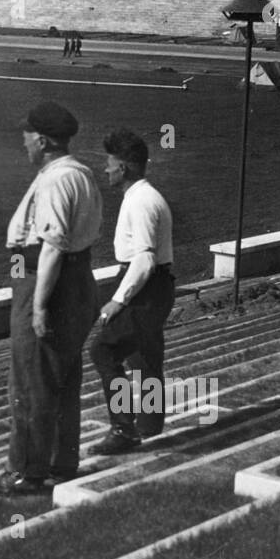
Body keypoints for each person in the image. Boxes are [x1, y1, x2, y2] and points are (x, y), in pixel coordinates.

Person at [0, 101, 103, 496]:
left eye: (29, 138)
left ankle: (26, 471)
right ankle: (61, 461)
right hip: (78, 277)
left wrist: (37, 305)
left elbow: (52, 245)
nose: (25, 144)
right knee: (63, 378)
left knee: (31, 380)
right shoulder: (81, 173)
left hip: (48, 282)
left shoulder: (55, 180)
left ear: (45, 140)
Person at [88, 129, 176, 455]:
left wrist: (116, 300)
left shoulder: (139, 202)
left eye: (109, 164)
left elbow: (144, 258)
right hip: (158, 286)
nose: (105, 170)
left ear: (123, 168)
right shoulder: (148, 196)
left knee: (104, 352)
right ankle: (151, 422)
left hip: (144, 288)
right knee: (145, 354)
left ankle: (123, 429)